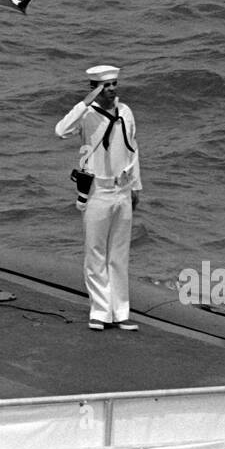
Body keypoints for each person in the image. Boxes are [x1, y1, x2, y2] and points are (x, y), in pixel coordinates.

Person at [55, 65, 142, 331]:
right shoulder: (86, 115)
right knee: (95, 253)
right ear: (95, 88)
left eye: (114, 83)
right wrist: (84, 104)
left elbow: (133, 149)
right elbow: (60, 130)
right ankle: (100, 311)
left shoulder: (125, 112)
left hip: (122, 189)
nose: (112, 89)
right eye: (106, 86)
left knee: (118, 253)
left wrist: (136, 185)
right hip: (97, 191)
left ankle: (120, 311)